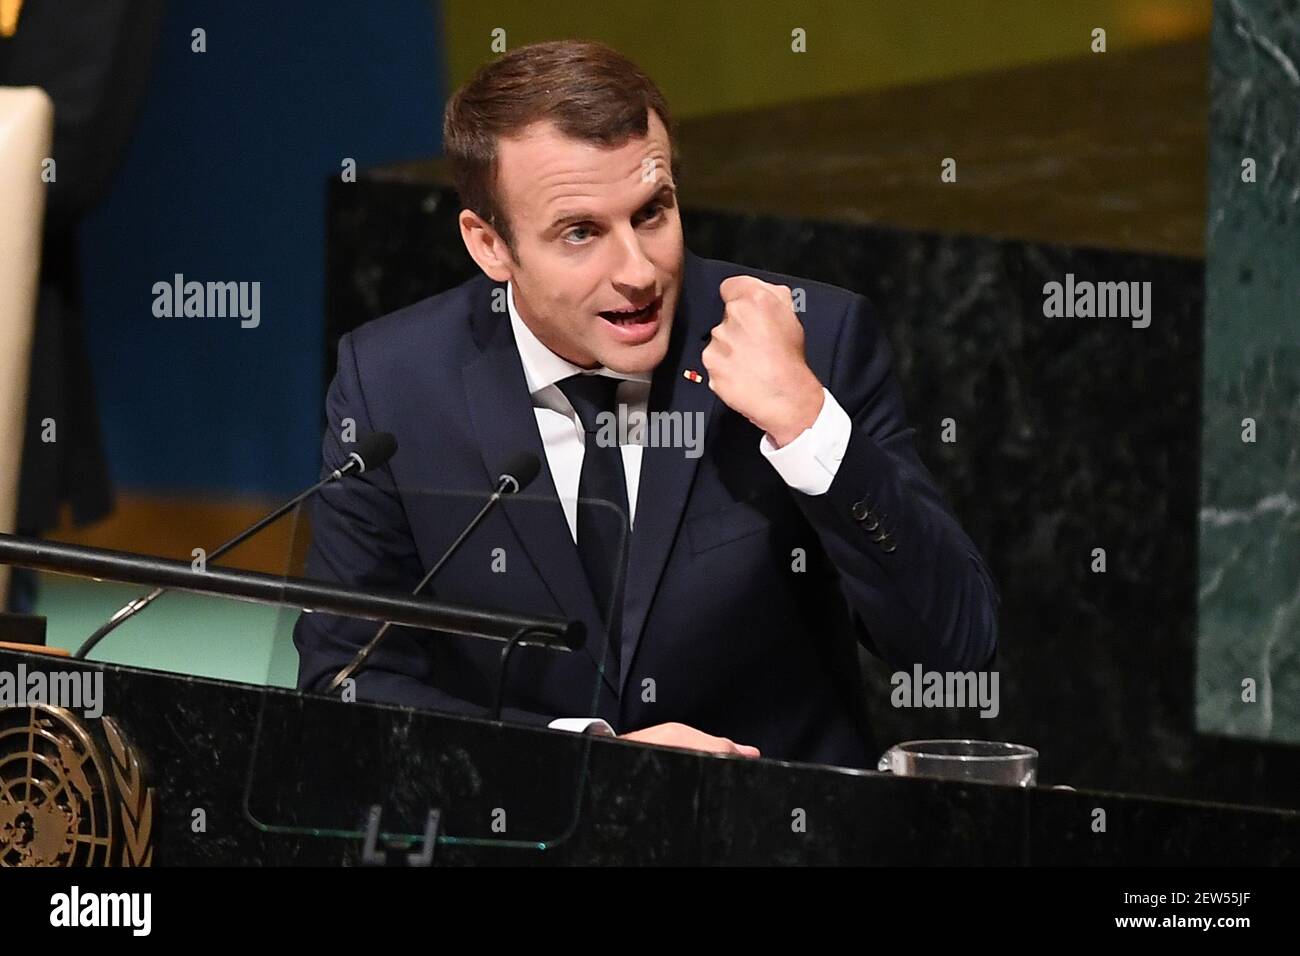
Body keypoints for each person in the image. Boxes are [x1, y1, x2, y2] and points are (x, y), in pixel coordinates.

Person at [294, 39, 998, 769]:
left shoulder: (812, 340)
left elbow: (954, 644)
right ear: (489, 245)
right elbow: (345, 679)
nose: (638, 271)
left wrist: (808, 423)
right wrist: (583, 760)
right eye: (581, 232)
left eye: (652, 213)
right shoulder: (395, 382)